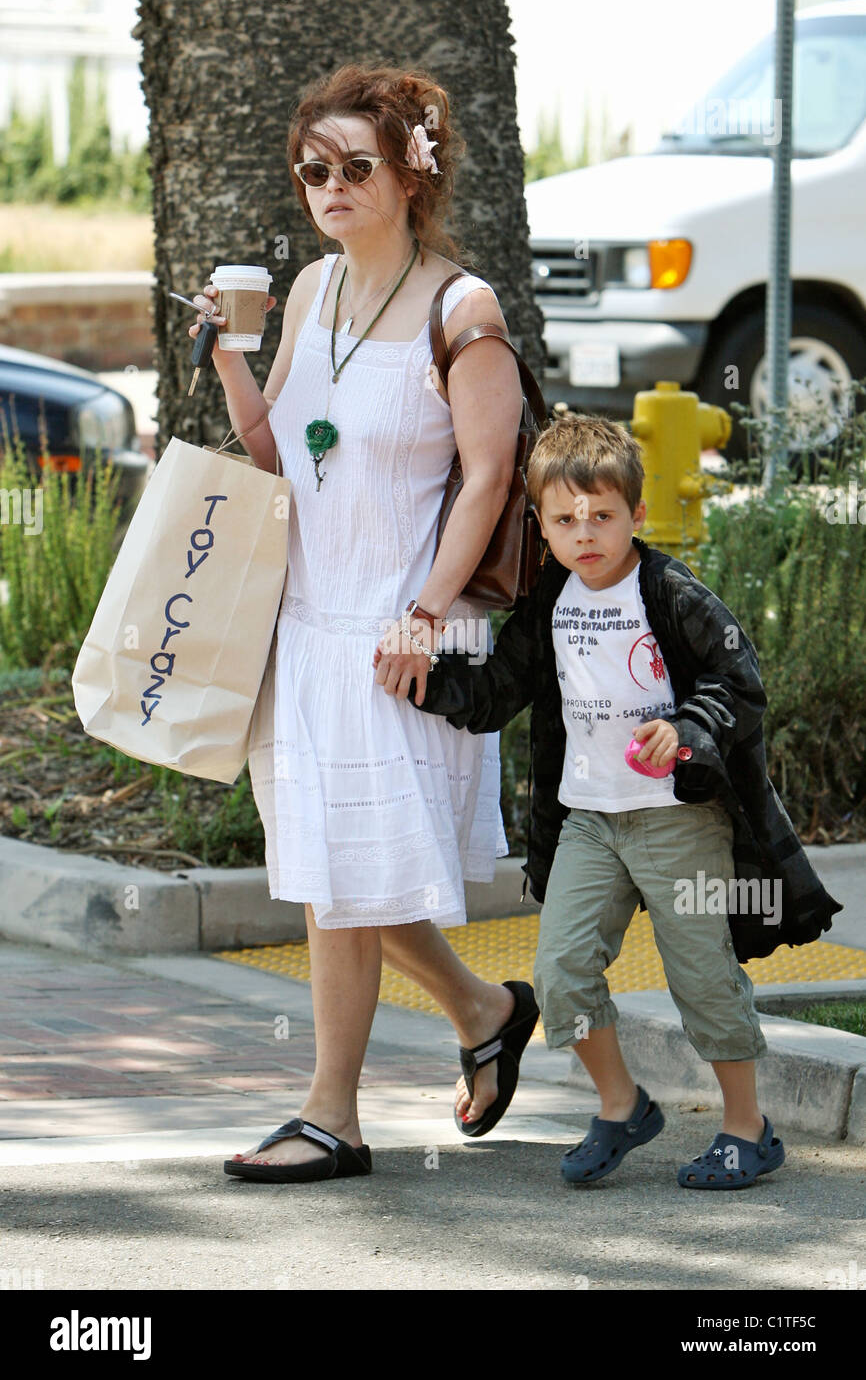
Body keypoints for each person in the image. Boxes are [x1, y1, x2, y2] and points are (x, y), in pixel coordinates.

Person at [187, 64, 540, 1183]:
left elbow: (487, 480)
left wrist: (422, 614)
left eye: (352, 166)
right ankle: (485, 1011)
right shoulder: (307, 292)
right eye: (310, 169)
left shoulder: (461, 308)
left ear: (410, 171)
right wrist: (232, 365)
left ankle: (330, 1114)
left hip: (401, 629)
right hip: (305, 620)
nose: (327, 186)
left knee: (347, 873)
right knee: (339, 865)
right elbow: (279, 455)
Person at [393, 412, 843, 1189]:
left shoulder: (671, 593)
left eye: (603, 516)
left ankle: (747, 1128)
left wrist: (688, 729)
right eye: (565, 520)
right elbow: (502, 691)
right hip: (589, 822)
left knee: (702, 975)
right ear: (541, 527)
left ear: (636, 513)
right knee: (562, 972)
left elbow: (740, 684)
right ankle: (621, 1104)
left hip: (679, 820)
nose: (585, 533)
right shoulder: (549, 601)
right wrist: (429, 682)